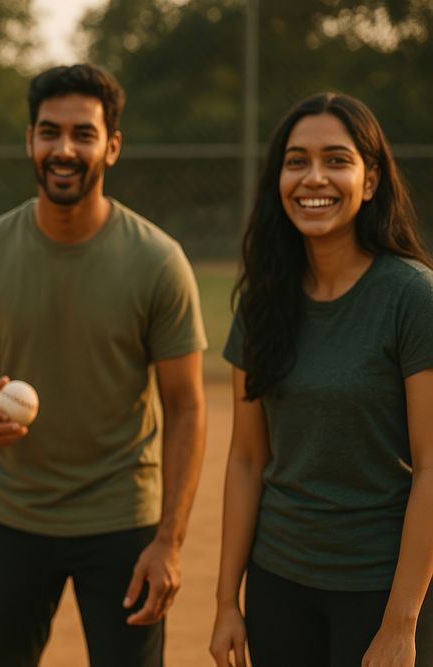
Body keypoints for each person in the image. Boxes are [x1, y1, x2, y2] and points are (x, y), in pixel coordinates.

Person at [0, 63, 207, 666]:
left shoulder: (159, 262)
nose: (64, 149)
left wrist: (170, 541)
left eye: (83, 134)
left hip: (123, 525)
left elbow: (187, 405)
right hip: (14, 518)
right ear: (30, 140)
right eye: (49, 131)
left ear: (111, 145)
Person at [209, 92, 433, 667]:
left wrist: (402, 623)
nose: (314, 177)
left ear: (371, 178)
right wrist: (226, 601)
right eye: (296, 160)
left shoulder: (412, 296)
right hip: (278, 583)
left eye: (337, 159)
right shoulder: (264, 300)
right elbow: (246, 459)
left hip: (379, 589)